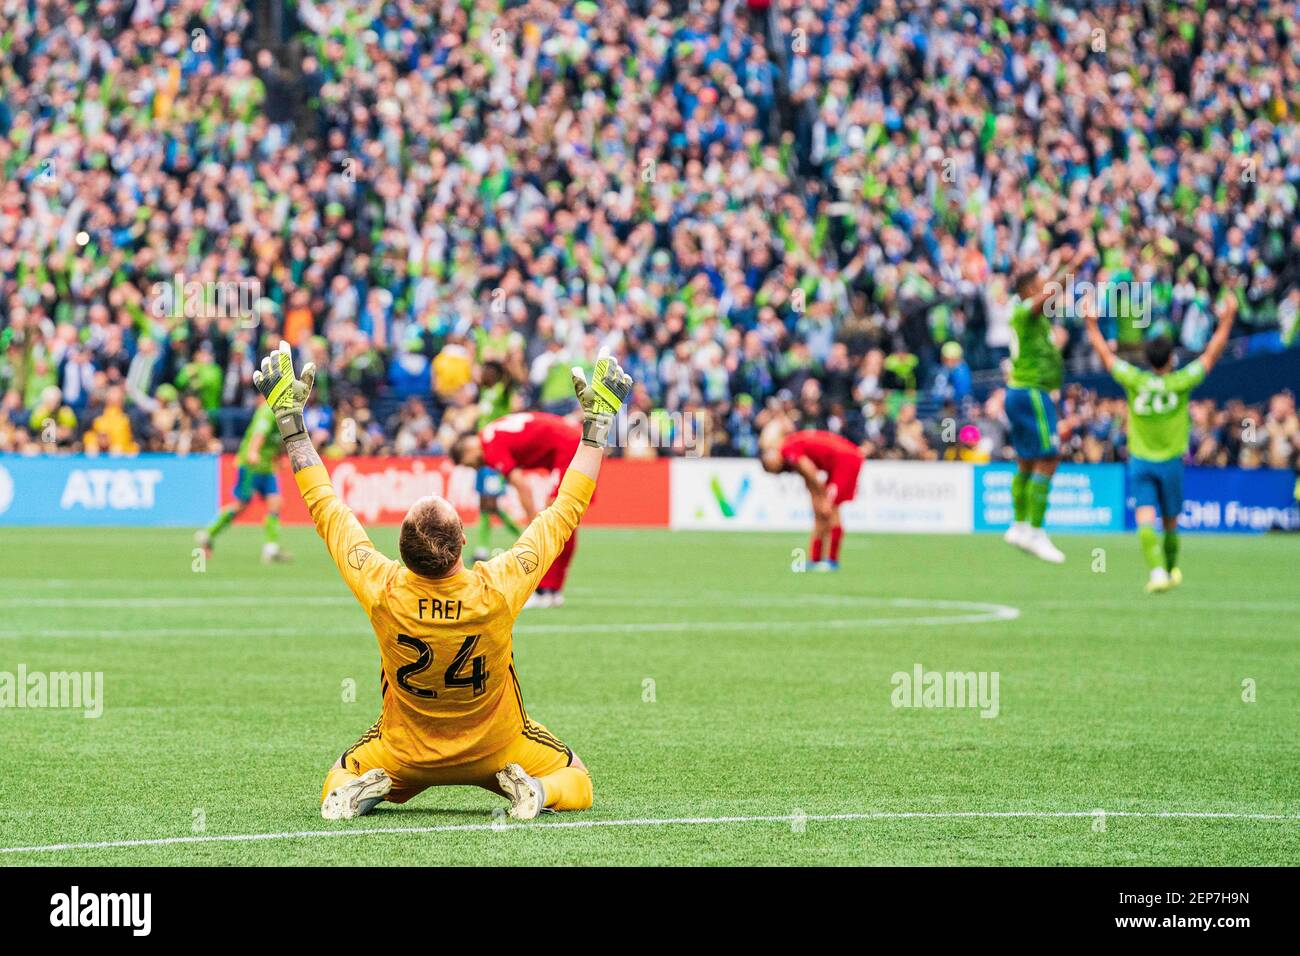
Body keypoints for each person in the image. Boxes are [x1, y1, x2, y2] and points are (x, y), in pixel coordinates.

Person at [251, 341, 632, 820]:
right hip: (500, 748)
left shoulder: (382, 585)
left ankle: (370, 789)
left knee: (337, 779)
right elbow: (565, 507)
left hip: (403, 753)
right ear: (463, 543)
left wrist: (291, 423)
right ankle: (534, 790)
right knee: (577, 781)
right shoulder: (498, 586)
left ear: (401, 551)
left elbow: (325, 507)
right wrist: (595, 429)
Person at [1083, 292, 1237, 592]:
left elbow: (1106, 356)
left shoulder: (1135, 380)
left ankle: (1156, 572)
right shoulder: (1180, 382)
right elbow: (1212, 353)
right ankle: (1170, 569)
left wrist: (1091, 325)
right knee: (1170, 523)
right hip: (1171, 462)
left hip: (1140, 459)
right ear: (1171, 358)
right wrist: (1228, 318)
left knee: (1144, 516)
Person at [1001, 243, 1092, 564]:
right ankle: (1036, 531)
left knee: (1027, 461)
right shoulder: (1025, 311)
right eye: (1040, 284)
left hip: (1023, 392)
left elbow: (1046, 289)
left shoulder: (1025, 310)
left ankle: (1019, 525)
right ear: (1030, 290)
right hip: (1031, 391)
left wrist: (1061, 265)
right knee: (1050, 456)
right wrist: (1077, 264)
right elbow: (1046, 296)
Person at [449, 411, 583, 607]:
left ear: (468, 449)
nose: (474, 468)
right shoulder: (490, 434)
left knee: (557, 517)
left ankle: (544, 589)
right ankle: (553, 590)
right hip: (570, 441)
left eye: (468, 464)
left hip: (567, 447)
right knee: (565, 519)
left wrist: (534, 524)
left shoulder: (490, 448)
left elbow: (522, 485)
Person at [760, 426, 866, 571]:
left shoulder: (787, 450)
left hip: (846, 460)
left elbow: (811, 472)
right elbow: (808, 478)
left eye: (776, 468)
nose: (779, 471)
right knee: (820, 513)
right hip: (840, 461)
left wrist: (823, 498)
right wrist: (816, 501)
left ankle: (832, 561)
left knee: (831, 510)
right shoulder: (790, 449)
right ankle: (815, 559)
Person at [195, 401, 288, 563]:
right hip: (250, 465)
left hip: (267, 467)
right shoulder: (268, 411)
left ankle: (270, 548)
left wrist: (279, 458)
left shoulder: (287, 412)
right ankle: (209, 533)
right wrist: (253, 452)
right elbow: (259, 433)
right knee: (241, 505)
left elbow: (279, 439)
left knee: (276, 503)